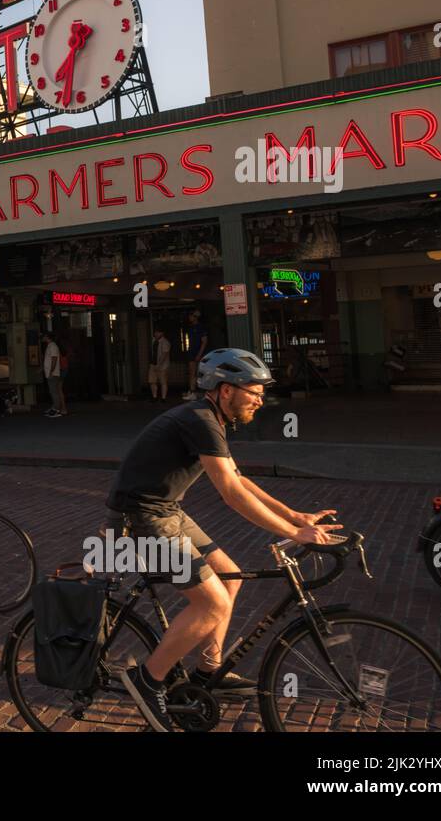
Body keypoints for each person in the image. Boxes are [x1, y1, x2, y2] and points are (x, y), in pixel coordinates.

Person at [108, 348, 342, 731]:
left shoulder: (208, 418)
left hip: (167, 512)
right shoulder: (200, 419)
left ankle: (207, 672)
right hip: (139, 518)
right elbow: (231, 494)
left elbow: (238, 478)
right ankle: (147, 680)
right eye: (254, 391)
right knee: (211, 602)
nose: (260, 400)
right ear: (225, 389)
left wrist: (294, 515)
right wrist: (294, 533)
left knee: (229, 577)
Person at [182, 311, 208, 400]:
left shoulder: (201, 327)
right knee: (192, 372)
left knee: (199, 372)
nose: (190, 318)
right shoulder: (190, 328)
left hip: (198, 353)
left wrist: (199, 354)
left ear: (195, 317)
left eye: (191, 316)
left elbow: (204, 341)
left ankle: (199, 392)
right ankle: (192, 391)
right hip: (191, 352)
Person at [42, 332, 68, 417]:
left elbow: (54, 359)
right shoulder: (53, 346)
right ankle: (59, 408)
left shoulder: (53, 346)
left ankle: (58, 409)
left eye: (44, 336)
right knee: (56, 390)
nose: (43, 337)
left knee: (56, 391)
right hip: (59, 371)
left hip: (56, 372)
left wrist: (51, 371)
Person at [147, 328, 172, 402]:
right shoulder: (153, 340)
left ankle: (163, 398)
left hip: (163, 365)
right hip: (153, 364)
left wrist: (159, 364)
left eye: (158, 332)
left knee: (163, 381)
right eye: (155, 332)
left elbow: (164, 354)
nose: (156, 334)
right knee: (152, 381)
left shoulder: (165, 342)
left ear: (162, 333)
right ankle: (154, 397)